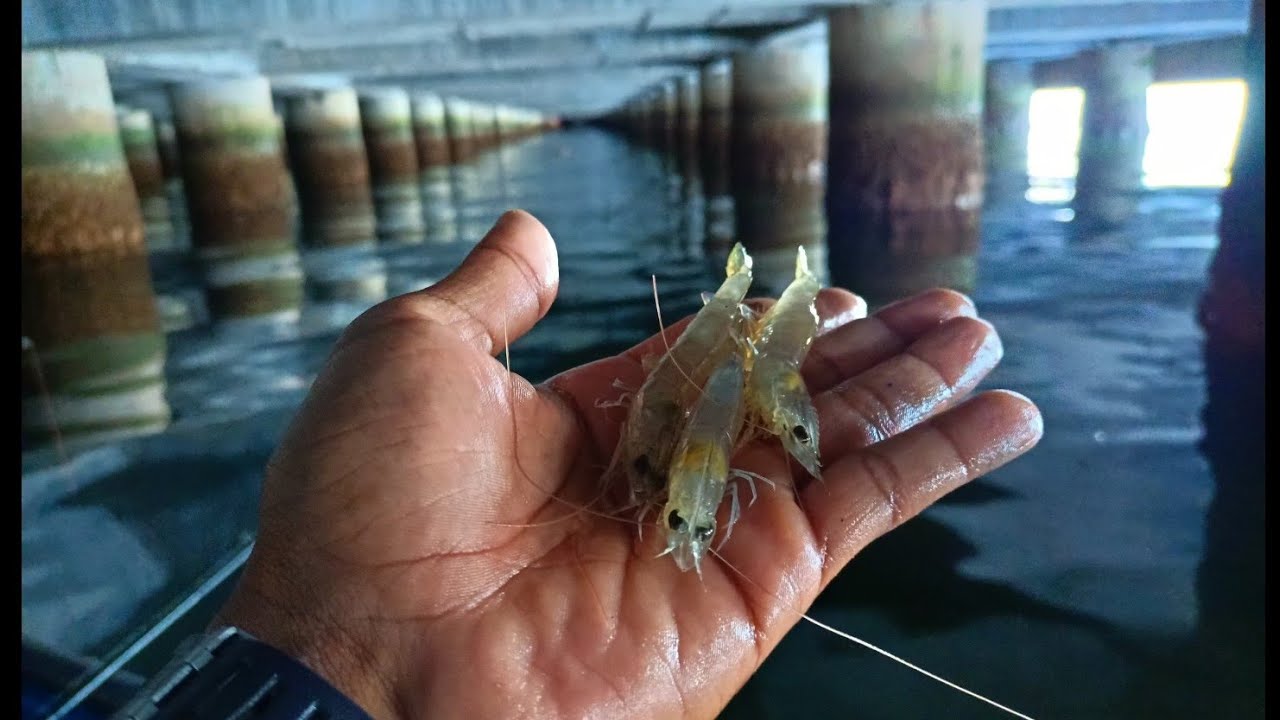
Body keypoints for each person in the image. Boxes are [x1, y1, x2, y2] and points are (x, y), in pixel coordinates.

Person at [126, 210, 1043, 719]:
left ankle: (775, 304)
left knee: (733, 412)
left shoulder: (718, 461)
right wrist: (343, 651)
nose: (667, 516)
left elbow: (712, 445)